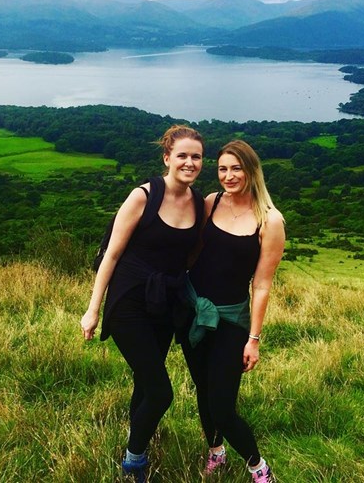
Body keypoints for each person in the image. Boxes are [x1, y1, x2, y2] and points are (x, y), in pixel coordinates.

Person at [80, 124, 204, 482]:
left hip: (164, 304)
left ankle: (137, 440)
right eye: (182, 155)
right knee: (161, 392)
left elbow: (192, 256)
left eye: (196, 157)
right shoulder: (143, 196)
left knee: (145, 382)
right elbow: (111, 254)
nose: (189, 163)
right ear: (167, 158)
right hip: (129, 302)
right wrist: (93, 309)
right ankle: (134, 461)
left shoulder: (199, 203)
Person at [180, 139, 285, 483]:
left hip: (230, 320)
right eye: (222, 169)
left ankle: (259, 467)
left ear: (251, 170)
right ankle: (216, 452)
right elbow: (190, 251)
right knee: (203, 388)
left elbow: (262, 284)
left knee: (223, 406)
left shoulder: (269, 220)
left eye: (236, 168)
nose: (228, 176)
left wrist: (253, 339)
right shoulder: (211, 202)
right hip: (193, 312)